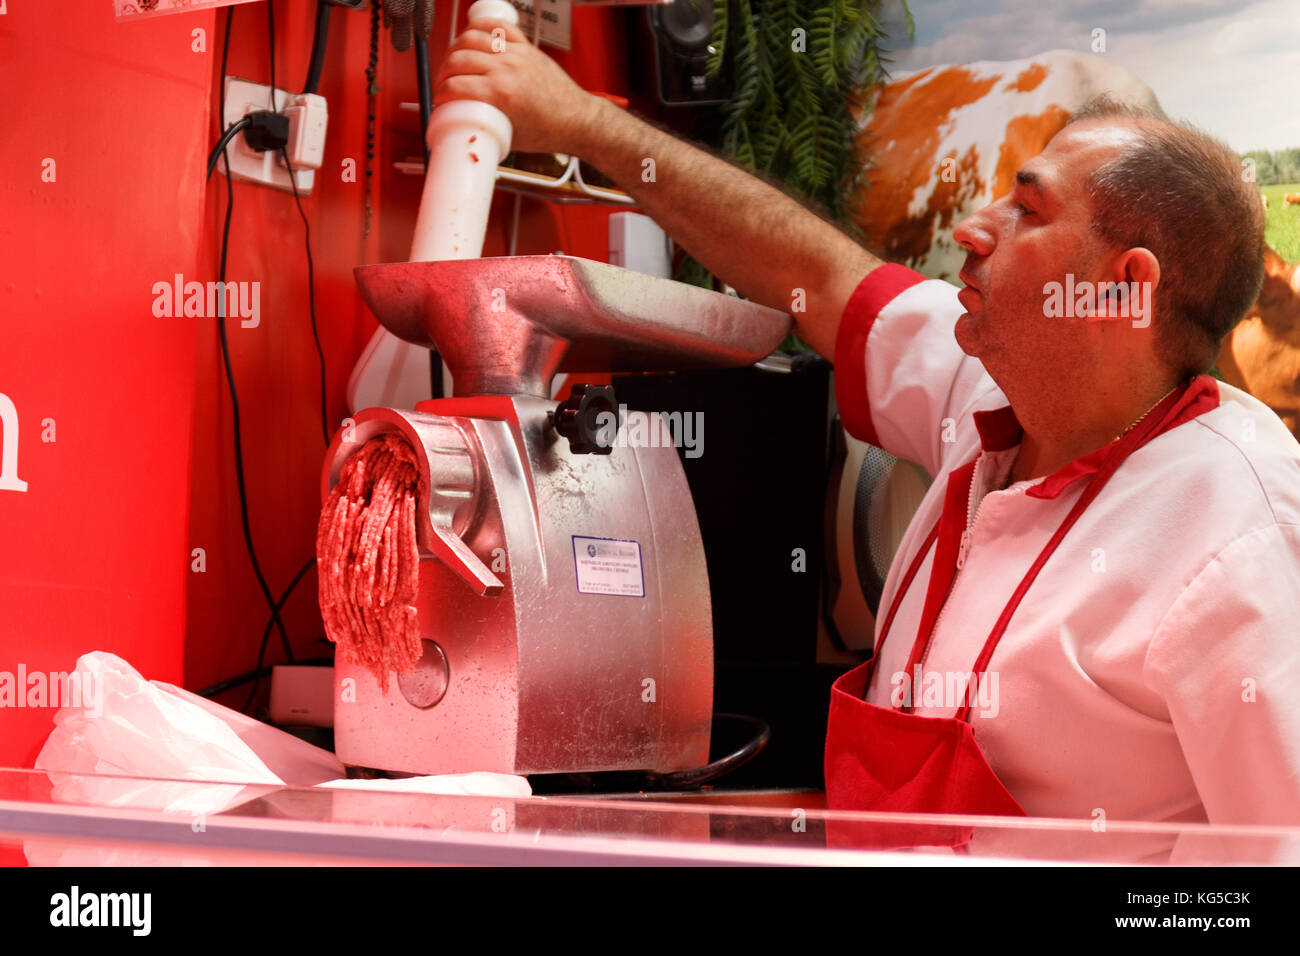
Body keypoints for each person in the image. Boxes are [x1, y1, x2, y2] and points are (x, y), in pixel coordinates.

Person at [433, 20, 1300, 830]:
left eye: (1027, 212)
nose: (973, 227)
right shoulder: (987, 384)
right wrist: (581, 119)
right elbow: (815, 273)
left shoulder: (1240, 535)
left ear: (1121, 289)